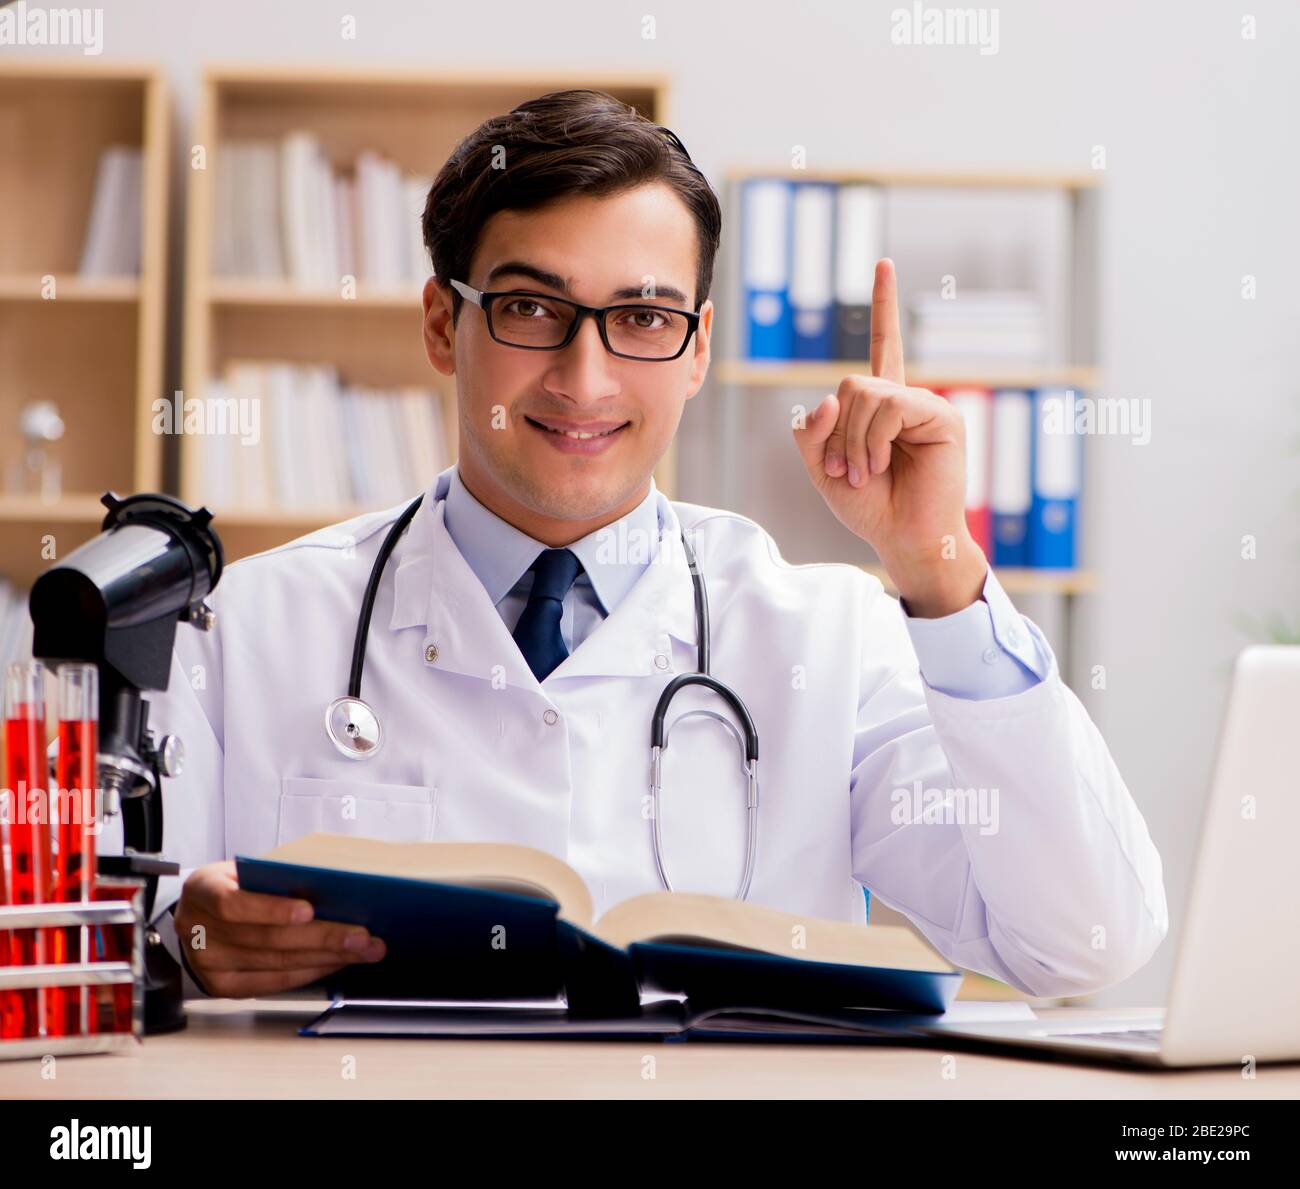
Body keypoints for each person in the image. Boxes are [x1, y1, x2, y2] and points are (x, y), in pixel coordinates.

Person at [152, 89, 1166, 999]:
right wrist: (180, 946)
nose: (584, 378)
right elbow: (107, 947)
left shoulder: (831, 641)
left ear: (699, 349)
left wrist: (939, 569)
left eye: (641, 316)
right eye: (531, 308)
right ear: (439, 324)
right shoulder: (247, 625)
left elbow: (1080, 942)